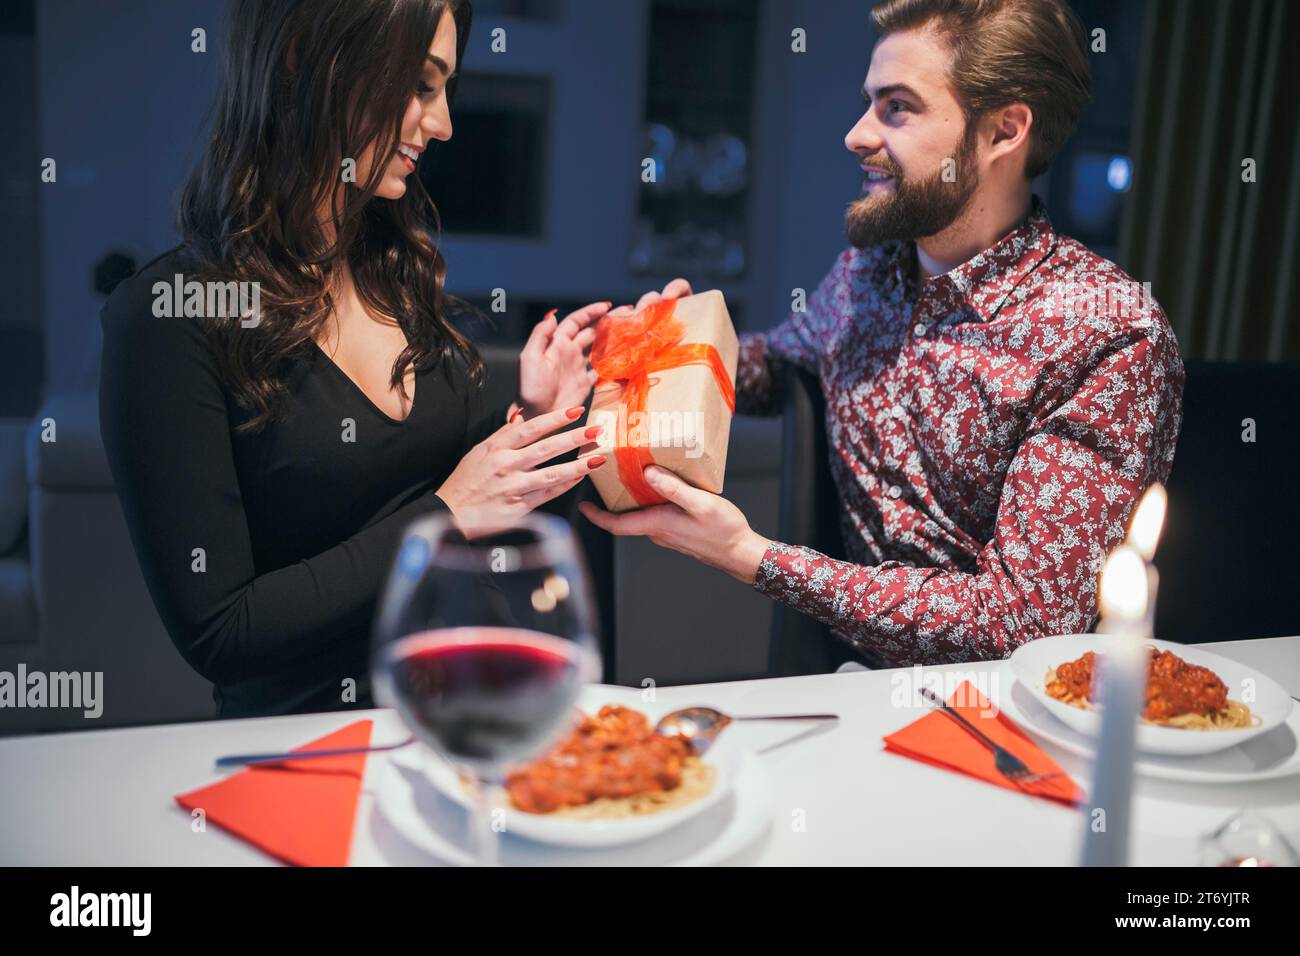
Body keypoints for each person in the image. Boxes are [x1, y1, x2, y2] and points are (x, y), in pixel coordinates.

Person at [583, 0, 1185, 668]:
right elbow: (779, 366)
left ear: (1003, 131)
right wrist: (664, 348)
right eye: (869, 102)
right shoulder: (868, 271)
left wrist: (750, 556)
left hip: (1007, 728)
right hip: (851, 692)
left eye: (896, 107)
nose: (856, 134)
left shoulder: (1106, 331)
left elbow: (1028, 625)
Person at [99, 0, 604, 717]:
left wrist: (530, 411)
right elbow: (221, 631)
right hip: (307, 756)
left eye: (444, 90)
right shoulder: (167, 318)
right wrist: (445, 518)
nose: (442, 124)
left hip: (473, 712)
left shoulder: (397, 273)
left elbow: (423, 478)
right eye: (420, 85)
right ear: (306, 60)